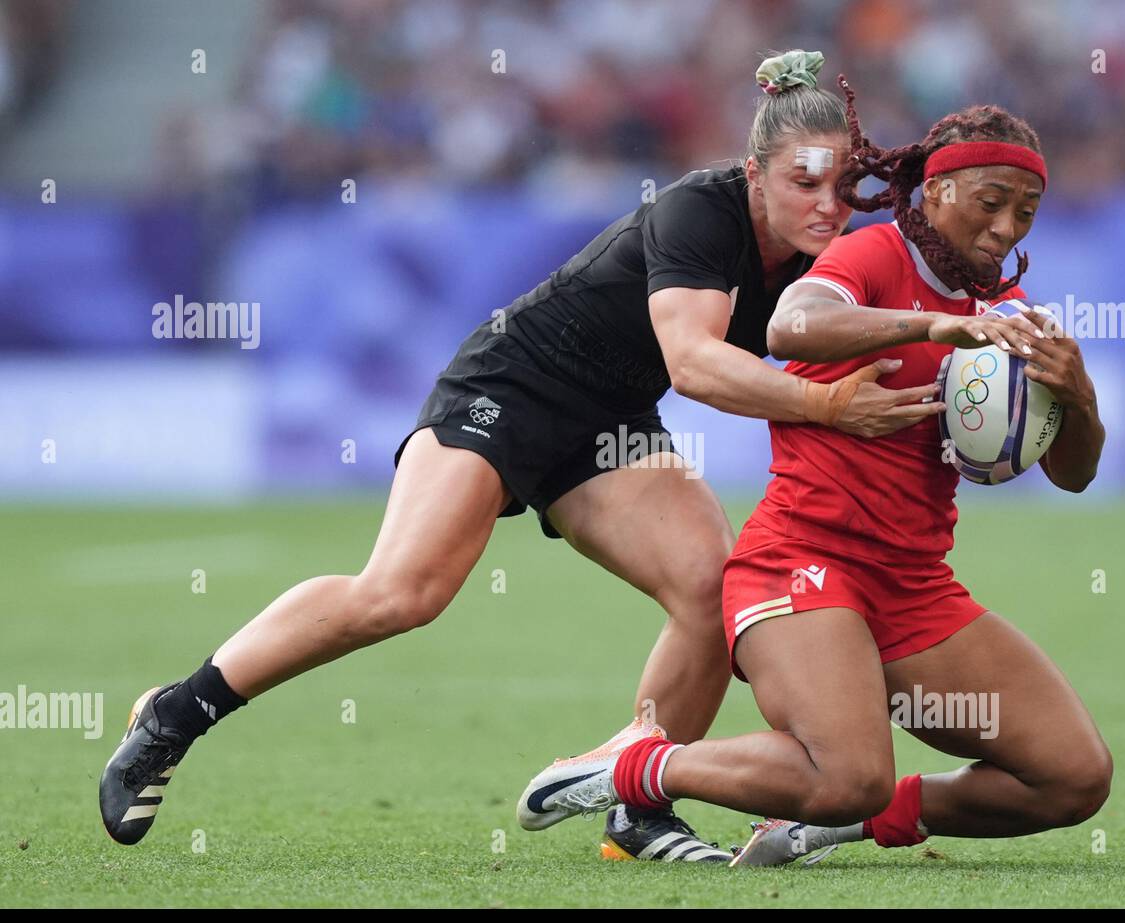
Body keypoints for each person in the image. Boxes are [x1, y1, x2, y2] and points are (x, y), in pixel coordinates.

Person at [99, 51, 1029, 863]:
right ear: (754, 171)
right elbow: (696, 363)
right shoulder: (701, 212)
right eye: (801, 183)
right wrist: (830, 402)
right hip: (509, 389)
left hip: (609, 427)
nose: (825, 207)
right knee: (402, 593)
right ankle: (175, 713)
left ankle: (637, 804)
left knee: (715, 589)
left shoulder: (820, 260)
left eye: (839, 187)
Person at [518, 86, 1112, 867]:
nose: (1005, 227)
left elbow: (1070, 475)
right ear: (935, 190)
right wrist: (933, 323)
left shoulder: (1008, 309)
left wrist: (1078, 395)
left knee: (1074, 777)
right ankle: (627, 767)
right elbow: (789, 324)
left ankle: (828, 824)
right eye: (991, 202)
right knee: (849, 771)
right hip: (802, 565)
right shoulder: (874, 253)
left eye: (1025, 213)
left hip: (911, 582)